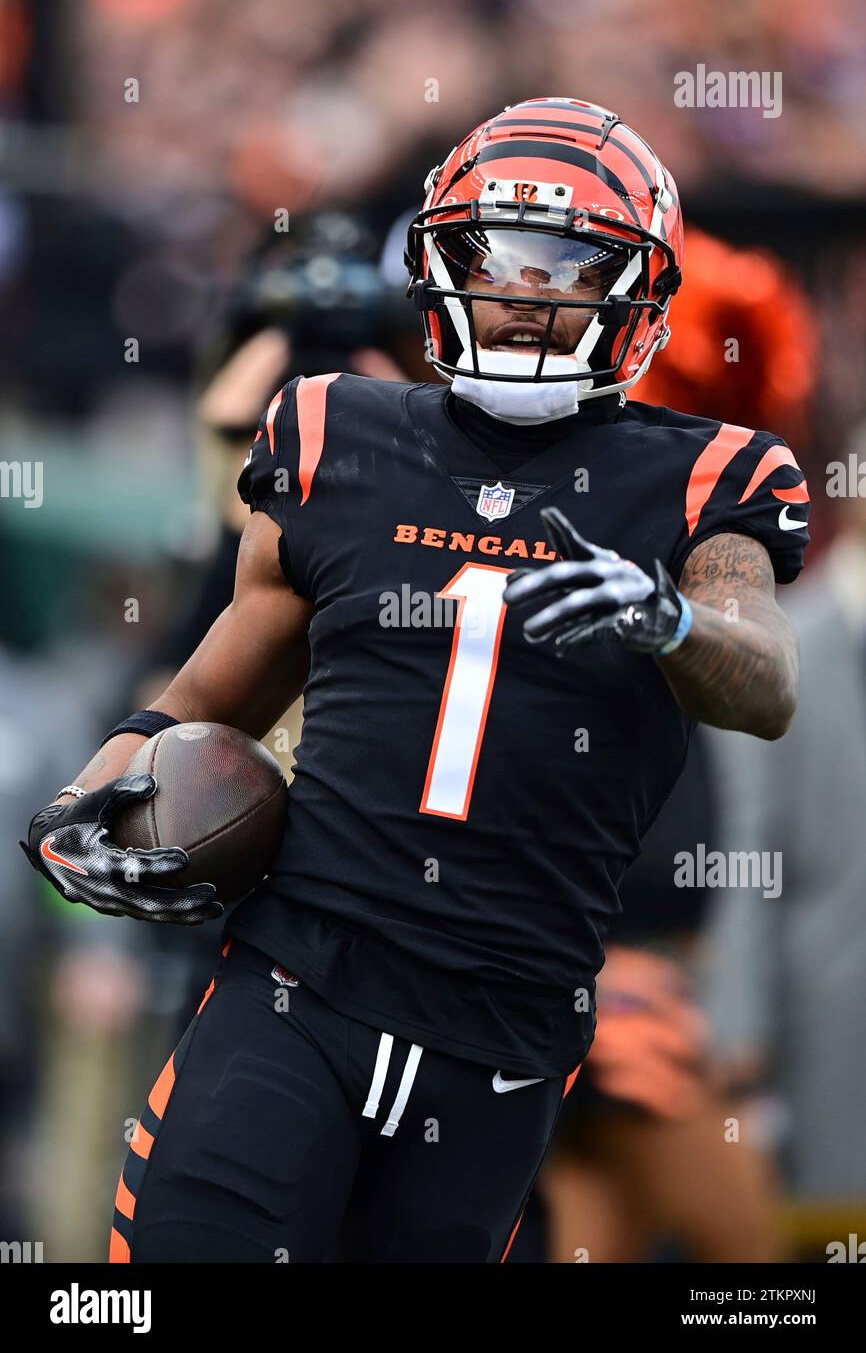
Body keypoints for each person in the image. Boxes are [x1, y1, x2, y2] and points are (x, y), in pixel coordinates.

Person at [22, 97, 810, 1264]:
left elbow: (764, 682)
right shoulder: (337, 432)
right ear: (443, 261)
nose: (526, 291)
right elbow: (200, 696)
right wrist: (76, 812)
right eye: (497, 257)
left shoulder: (704, 479)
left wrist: (669, 618)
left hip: (503, 1033)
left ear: (633, 291)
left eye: (568, 265)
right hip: (297, 988)